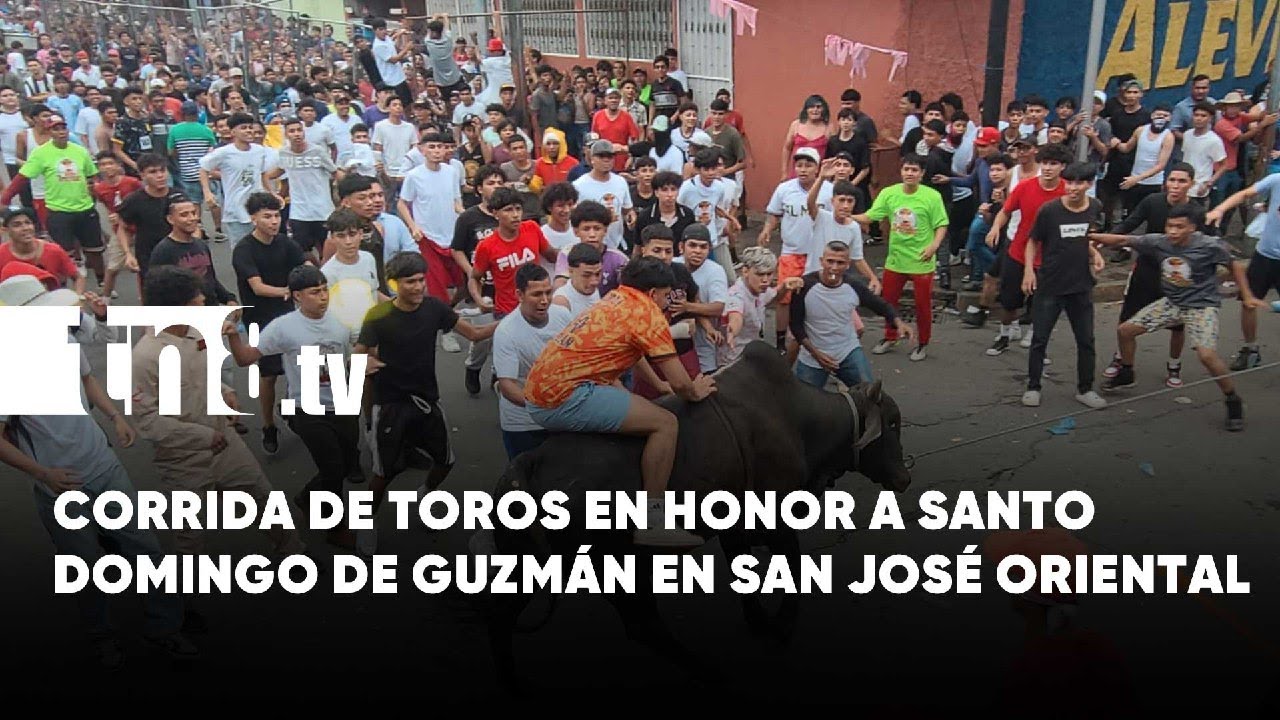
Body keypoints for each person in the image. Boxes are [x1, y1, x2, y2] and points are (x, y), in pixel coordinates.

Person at [0, 273, 196, 668]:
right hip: (60, 486)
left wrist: (114, 416)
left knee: (147, 549)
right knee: (85, 568)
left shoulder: (65, 340)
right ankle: (102, 636)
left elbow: (87, 380)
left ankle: (165, 628)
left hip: (104, 465)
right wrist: (43, 474)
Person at [524, 256, 715, 547]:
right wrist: (693, 391)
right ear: (653, 294)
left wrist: (658, 386)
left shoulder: (616, 298)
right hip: (564, 397)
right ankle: (653, 520)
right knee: (666, 424)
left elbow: (635, 352)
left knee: (638, 405)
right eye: (666, 295)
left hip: (540, 390)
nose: (668, 302)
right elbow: (681, 383)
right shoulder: (648, 313)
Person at [131, 265, 307, 557]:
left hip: (225, 443)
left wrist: (226, 394)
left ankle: (293, 553)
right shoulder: (145, 357)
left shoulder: (199, 332)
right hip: (183, 457)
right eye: (196, 298)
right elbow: (147, 422)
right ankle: (186, 594)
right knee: (189, 534)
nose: (202, 300)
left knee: (264, 499)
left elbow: (206, 376)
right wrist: (202, 435)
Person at [353, 251, 497, 556]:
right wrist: (364, 362)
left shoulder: (434, 308)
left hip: (426, 400)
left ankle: (425, 494)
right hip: (389, 403)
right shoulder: (377, 316)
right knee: (383, 472)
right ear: (394, 284)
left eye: (421, 280)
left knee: (446, 461)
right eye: (410, 282)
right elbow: (359, 351)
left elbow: (474, 333)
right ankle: (366, 521)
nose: (418, 287)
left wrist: (515, 319)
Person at [1090, 203, 1264, 430]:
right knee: (1125, 331)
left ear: (1193, 228)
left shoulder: (1209, 245)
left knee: (1207, 356)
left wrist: (1247, 294)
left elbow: (1235, 266)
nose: (1172, 231)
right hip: (1173, 303)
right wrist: (1090, 236)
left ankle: (1232, 400)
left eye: (1179, 227)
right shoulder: (1159, 241)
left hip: (1201, 306)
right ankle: (1127, 371)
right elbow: (1123, 240)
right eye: (1170, 226)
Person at [224, 265, 361, 549]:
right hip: (307, 409)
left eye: (325, 290)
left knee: (347, 463)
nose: (323, 297)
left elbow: (354, 353)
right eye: (315, 292)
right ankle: (334, 527)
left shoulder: (340, 320)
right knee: (333, 469)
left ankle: (307, 498)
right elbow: (246, 358)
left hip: (343, 404)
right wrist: (234, 336)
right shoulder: (284, 327)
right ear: (297, 296)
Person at [1018, 162, 1108, 409]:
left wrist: (1095, 255)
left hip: (1080, 285)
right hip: (1050, 283)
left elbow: (1084, 240)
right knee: (1040, 339)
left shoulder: (1096, 208)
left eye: (1079, 183)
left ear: (1089, 184)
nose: (1072, 188)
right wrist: (1028, 271)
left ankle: (1085, 389)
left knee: (1086, 340)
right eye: (1069, 182)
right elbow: (1033, 241)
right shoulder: (1050, 210)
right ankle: (1033, 387)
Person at [1100, 163, 1197, 387]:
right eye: (1172, 180)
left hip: (1176, 276)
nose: (1175, 185)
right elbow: (1129, 224)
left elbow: (1206, 245)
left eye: (1182, 181)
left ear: (1191, 183)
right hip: (1146, 271)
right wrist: (1104, 240)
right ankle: (1123, 362)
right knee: (1126, 321)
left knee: (1176, 326)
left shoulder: (1197, 211)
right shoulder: (1152, 201)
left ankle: (1174, 366)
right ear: (1165, 181)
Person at [854, 154, 949, 362]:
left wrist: (934, 246)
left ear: (922, 174)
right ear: (901, 171)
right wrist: (847, 216)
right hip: (896, 259)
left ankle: (922, 342)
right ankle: (890, 336)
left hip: (921, 261)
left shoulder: (932, 196)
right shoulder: (889, 193)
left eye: (914, 170)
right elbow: (871, 216)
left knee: (922, 306)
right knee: (888, 302)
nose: (910, 173)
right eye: (906, 169)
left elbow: (941, 224)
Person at [231, 193, 305, 455]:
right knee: (269, 375)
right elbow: (258, 287)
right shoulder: (244, 249)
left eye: (276, 216)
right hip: (260, 319)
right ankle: (268, 425)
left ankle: (290, 411)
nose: (274, 222)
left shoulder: (286, 243)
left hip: (289, 315)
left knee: (297, 369)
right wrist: (291, 290)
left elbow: (304, 266)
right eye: (267, 216)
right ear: (253, 218)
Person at [982, 142, 1071, 356]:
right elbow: (1006, 210)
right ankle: (1005, 333)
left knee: (1042, 303)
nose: (1048, 168)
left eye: (1054, 164)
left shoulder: (1068, 191)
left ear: (1063, 167)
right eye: (1045, 163)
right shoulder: (1025, 187)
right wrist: (995, 228)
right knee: (1009, 300)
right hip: (1018, 251)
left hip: (1050, 256)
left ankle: (1036, 338)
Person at [468, 186, 560, 389]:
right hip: (504, 310)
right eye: (508, 210)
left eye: (518, 208)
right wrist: (479, 299)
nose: (516, 215)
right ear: (495, 213)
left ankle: (501, 381)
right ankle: (473, 368)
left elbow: (553, 255)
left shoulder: (532, 229)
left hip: (534, 306)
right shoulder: (487, 246)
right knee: (483, 342)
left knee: (518, 355)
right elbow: (474, 278)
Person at [791, 241, 913, 388]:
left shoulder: (853, 286)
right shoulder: (804, 286)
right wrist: (816, 354)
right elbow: (796, 325)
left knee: (870, 396)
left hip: (847, 352)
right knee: (805, 407)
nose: (834, 268)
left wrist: (899, 323)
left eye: (840, 263)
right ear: (821, 261)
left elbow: (881, 305)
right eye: (830, 261)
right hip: (812, 357)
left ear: (848, 264)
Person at [0, 114, 103, 283]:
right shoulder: (40, 153)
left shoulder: (80, 151)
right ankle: (60, 288)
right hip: (58, 211)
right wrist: (5, 199)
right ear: (49, 132)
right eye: (56, 128)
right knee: (61, 254)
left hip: (85, 209)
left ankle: (102, 283)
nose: (61, 132)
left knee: (95, 251)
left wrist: (94, 195)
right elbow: (22, 177)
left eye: (63, 127)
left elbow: (92, 176)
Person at [494, 263, 574, 459]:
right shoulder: (506, 332)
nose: (545, 300)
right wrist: (542, 406)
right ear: (519, 295)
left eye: (548, 292)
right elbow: (507, 385)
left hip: (561, 418)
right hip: (523, 424)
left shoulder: (562, 315)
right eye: (537, 294)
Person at [759, 147, 831, 351]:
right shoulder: (784, 189)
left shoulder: (828, 190)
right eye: (799, 165)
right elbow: (774, 214)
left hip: (818, 254)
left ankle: (814, 340)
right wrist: (767, 230)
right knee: (784, 299)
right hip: (791, 252)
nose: (803, 169)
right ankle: (781, 342)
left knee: (817, 299)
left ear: (817, 168)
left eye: (808, 165)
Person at [1207, 175, 1280, 371]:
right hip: (1264, 255)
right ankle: (1250, 349)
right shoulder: (1276, 180)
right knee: (1249, 302)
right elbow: (1245, 193)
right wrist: (1220, 209)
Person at [266, 116, 341, 263]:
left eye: (299, 130)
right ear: (286, 135)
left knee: (327, 249)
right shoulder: (284, 153)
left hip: (323, 210)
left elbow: (335, 172)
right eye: (292, 131)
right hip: (299, 212)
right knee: (300, 252)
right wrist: (269, 190)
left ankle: (325, 275)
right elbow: (275, 173)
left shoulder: (318, 151)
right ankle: (313, 273)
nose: (297, 134)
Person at [198, 112, 272, 246]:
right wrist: (207, 193)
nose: (249, 131)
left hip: (258, 207)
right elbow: (203, 168)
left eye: (250, 127)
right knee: (241, 248)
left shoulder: (259, 150)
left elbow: (262, 173)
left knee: (262, 245)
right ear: (233, 132)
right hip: (236, 209)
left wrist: (272, 194)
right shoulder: (224, 152)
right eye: (244, 128)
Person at [572, 139, 634, 251]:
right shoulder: (579, 185)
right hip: (590, 244)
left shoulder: (620, 181)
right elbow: (574, 218)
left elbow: (627, 210)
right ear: (592, 159)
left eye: (610, 156)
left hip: (617, 242)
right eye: (601, 156)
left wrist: (631, 216)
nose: (606, 160)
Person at [552, 241, 602, 318]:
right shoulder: (561, 302)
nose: (594, 282)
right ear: (571, 271)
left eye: (597, 274)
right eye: (586, 275)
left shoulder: (593, 290)